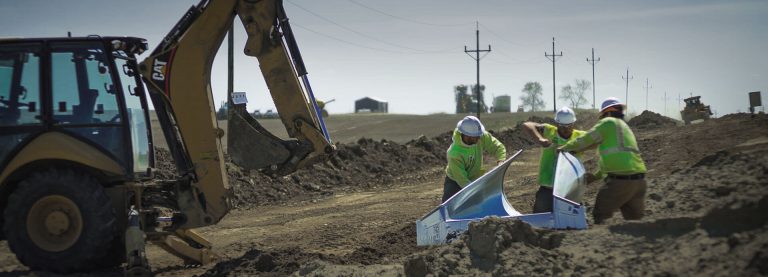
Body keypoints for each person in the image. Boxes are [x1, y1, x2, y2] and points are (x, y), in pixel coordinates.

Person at [559, 97, 647, 224]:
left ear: (608, 113)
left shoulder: (608, 122)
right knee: (635, 223)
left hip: (621, 183)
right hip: (639, 183)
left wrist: (564, 148)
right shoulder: (624, 128)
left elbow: (586, 139)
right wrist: (595, 176)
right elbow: (618, 159)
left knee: (601, 214)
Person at [522, 107, 586, 213]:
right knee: (541, 218)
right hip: (548, 187)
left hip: (570, 190)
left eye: (569, 126)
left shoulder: (580, 136)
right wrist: (540, 138)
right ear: (557, 124)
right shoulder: (549, 131)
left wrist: (580, 147)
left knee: (574, 220)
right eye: (562, 126)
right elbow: (527, 125)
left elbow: (597, 140)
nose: (566, 129)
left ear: (573, 124)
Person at [443, 116, 507, 202]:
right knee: (449, 206)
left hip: (475, 179)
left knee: (479, 205)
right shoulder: (454, 153)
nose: (479, 137)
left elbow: (498, 147)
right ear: (466, 135)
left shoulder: (481, 136)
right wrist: (475, 192)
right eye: (475, 136)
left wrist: (501, 161)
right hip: (455, 181)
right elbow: (462, 180)